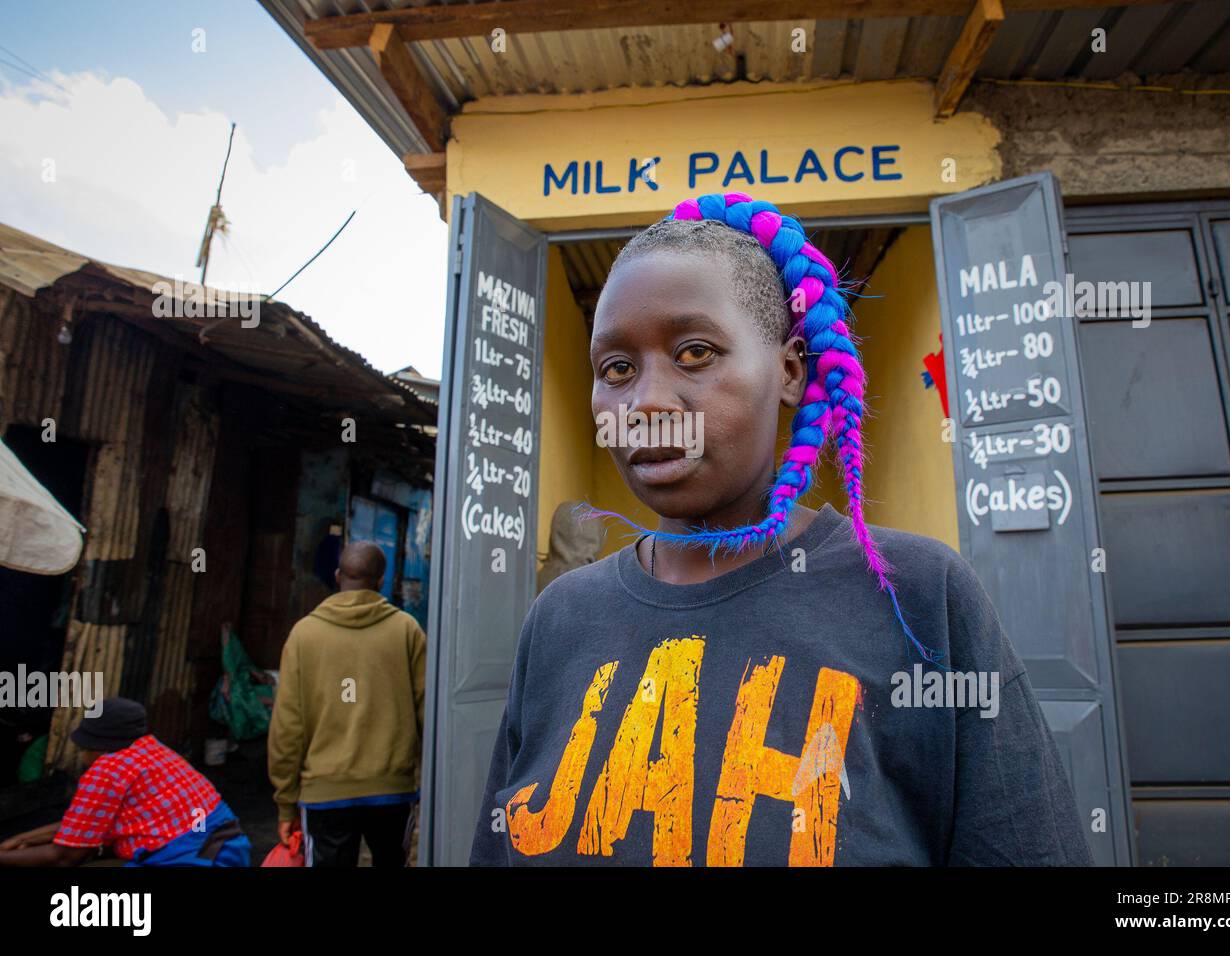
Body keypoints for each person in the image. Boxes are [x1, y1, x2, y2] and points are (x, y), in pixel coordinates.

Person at [469, 193, 1094, 867]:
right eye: (616, 368)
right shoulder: (560, 619)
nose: (644, 400)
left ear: (790, 371)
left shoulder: (919, 597)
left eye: (695, 352)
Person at [268, 541, 425, 867]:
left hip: (325, 794)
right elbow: (428, 714)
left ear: (338, 575)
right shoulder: (406, 630)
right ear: (381, 581)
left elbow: (287, 727)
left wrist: (285, 802)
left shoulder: (304, 635)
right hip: (392, 790)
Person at [0, 697, 250, 867]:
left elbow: (65, 856)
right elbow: (82, 825)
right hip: (230, 847)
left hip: (195, 858)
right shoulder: (153, 750)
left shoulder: (107, 769)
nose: (81, 754)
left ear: (96, 745)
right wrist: (25, 839)